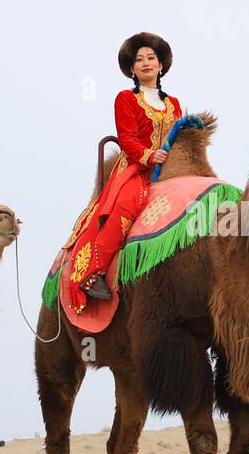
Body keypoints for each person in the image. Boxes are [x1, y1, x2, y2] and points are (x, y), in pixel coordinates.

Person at [64, 32, 182, 313]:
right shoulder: (126, 99)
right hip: (136, 167)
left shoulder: (173, 103)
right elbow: (127, 140)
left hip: (171, 168)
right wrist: (150, 155)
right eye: (139, 60)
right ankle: (93, 273)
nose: (145, 63)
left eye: (150, 58)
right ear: (132, 69)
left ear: (160, 65)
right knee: (130, 204)